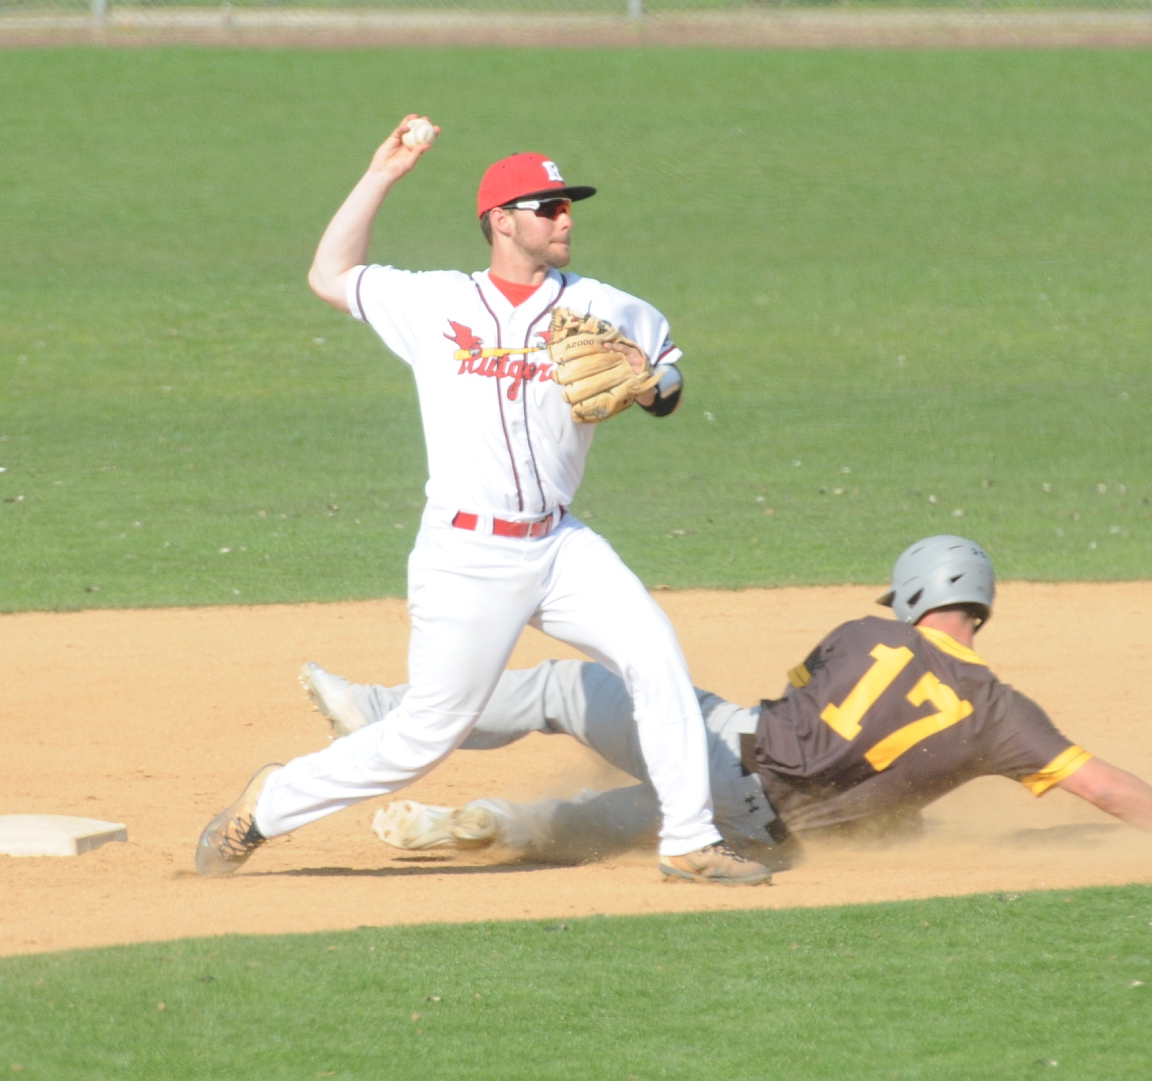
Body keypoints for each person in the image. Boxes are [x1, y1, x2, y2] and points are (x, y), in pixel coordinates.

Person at [194, 116, 772, 886]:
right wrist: (383, 174)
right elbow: (329, 274)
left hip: (559, 545)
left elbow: (667, 378)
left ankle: (690, 840)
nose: (565, 216)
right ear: (502, 221)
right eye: (548, 206)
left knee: (655, 653)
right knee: (424, 735)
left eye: (568, 206)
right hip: (466, 554)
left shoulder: (605, 305)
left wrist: (650, 382)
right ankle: (267, 806)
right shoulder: (434, 304)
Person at [298, 535, 1152, 866]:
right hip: (782, 838)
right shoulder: (1001, 715)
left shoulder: (862, 638)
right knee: (596, 824)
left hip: (736, 756)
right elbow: (1105, 787)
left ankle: (381, 713)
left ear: (912, 594)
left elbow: (799, 723)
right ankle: (488, 823)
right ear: (977, 606)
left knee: (568, 684)